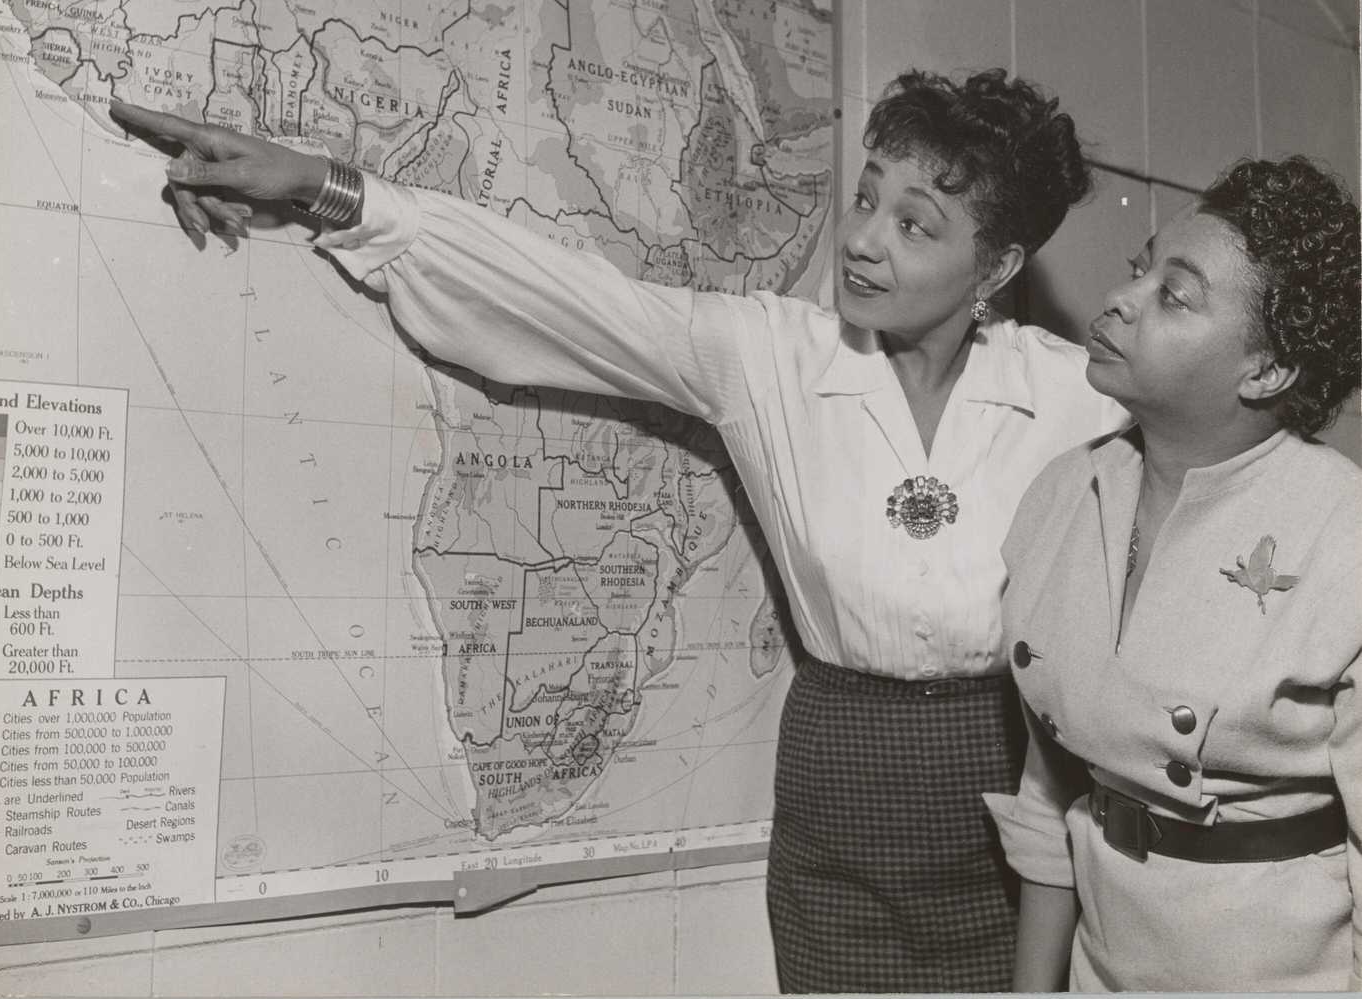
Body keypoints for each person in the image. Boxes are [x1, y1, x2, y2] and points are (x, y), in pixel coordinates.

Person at [111, 69, 1125, 992]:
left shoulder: (1076, 393)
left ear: (996, 268)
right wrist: (320, 187)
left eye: (917, 224)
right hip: (838, 767)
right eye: (867, 198)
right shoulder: (767, 355)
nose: (864, 238)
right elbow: (572, 301)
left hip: (1007, 777)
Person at [986, 155, 1362, 991]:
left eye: (1174, 293)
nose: (1122, 298)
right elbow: (1050, 792)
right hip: (1099, 964)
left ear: (1264, 370)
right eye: (1138, 269)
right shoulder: (1057, 497)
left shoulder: (1344, 533)